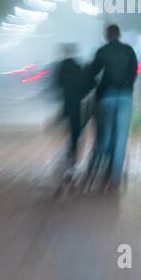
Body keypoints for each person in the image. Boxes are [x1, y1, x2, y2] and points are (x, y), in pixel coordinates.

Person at [86, 24, 138, 190]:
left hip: (107, 97)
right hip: (125, 97)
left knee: (106, 135)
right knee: (121, 137)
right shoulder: (129, 50)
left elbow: (92, 73)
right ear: (119, 34)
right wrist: (127, 86)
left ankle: (95, 169)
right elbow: (134, 71)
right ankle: (114, 177)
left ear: (107, 36)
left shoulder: (102, 51)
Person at [51, 43, 90, 179]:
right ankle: (72, 160)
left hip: (66, 103)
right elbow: (88, 85)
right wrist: (81, 95)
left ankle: (68, 154)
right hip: (77, 105)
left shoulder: (61, 67)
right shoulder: (79, 67)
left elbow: (56, 84)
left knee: (67, 129)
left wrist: (61, 95)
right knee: (76, 133)